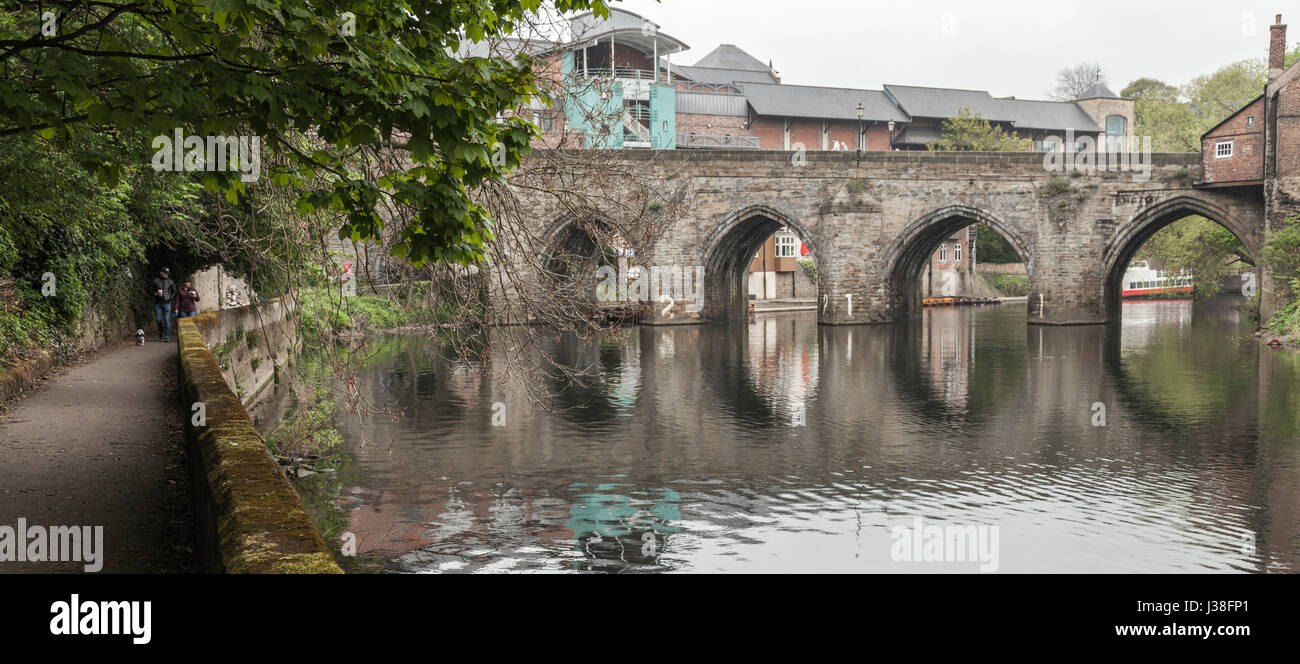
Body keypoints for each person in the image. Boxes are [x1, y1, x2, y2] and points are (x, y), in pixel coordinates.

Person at [150, 267, 177, 341]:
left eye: (167, 273)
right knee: (158, 320)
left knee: (166, 320)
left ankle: (167, 336)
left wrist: (170, 298)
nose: (166, 275)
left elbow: (174, 291)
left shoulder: (170, 281)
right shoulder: (156, 281)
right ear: (161, 273)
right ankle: (161, 331)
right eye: (165, 273)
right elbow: (150, 291)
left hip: (167, 303)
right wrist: (156, 294)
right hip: (158, 303)